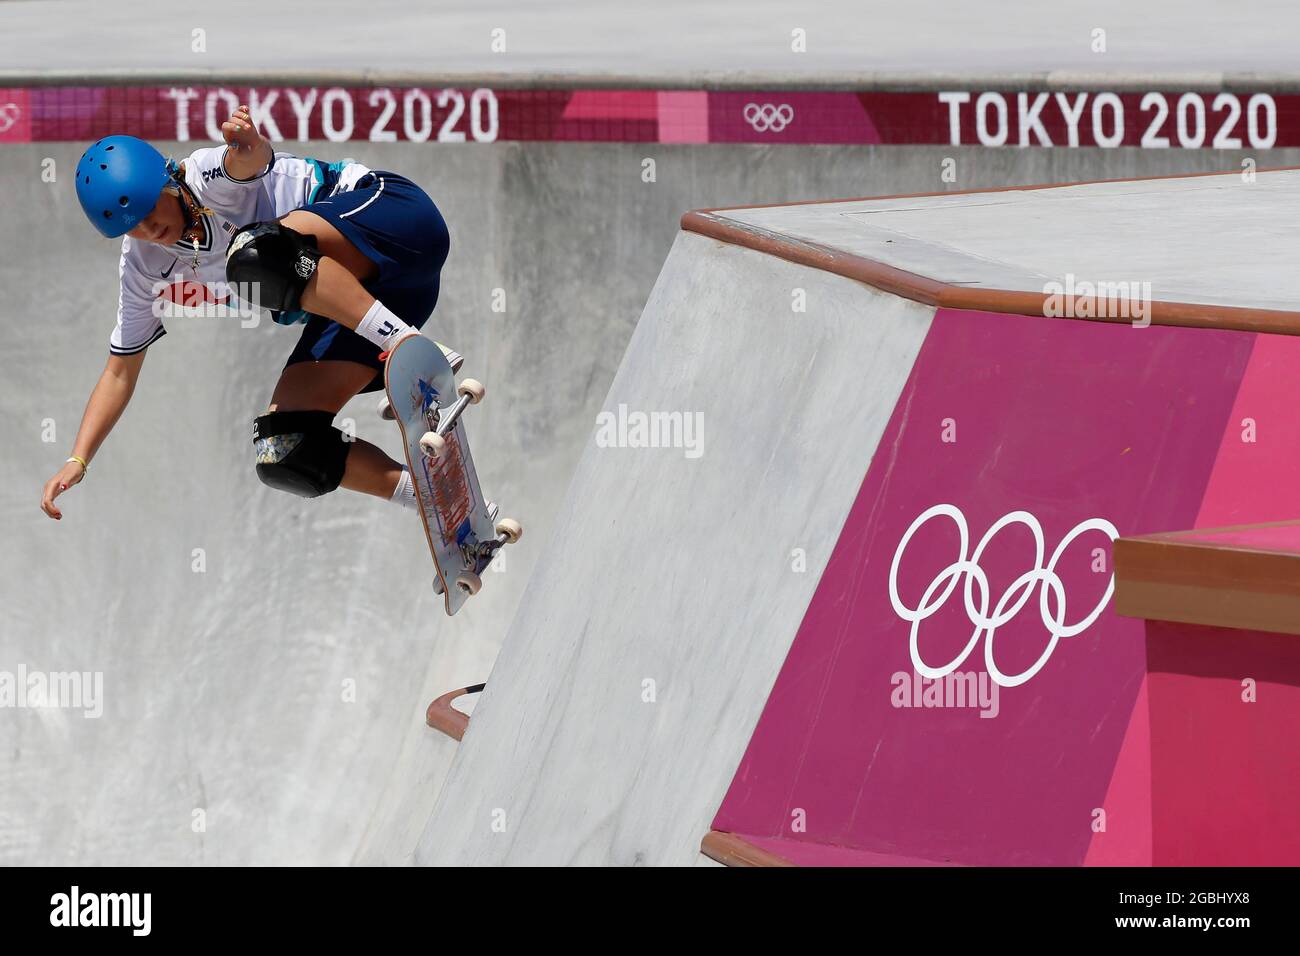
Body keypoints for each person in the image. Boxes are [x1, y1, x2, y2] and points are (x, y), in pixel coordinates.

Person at [41, 106, 454, 519]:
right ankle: (439, 502)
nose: (149, 230)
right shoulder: (142, 268)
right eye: (132, 227)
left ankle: (405, 345)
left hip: (401, 226)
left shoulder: (204, 176)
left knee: (254, 254)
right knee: (284, 447)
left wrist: (250, 147)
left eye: (150, 210)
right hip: (388, 301)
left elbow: (244, 163)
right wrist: (78, 459)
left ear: (169, 183)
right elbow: (119, 372)